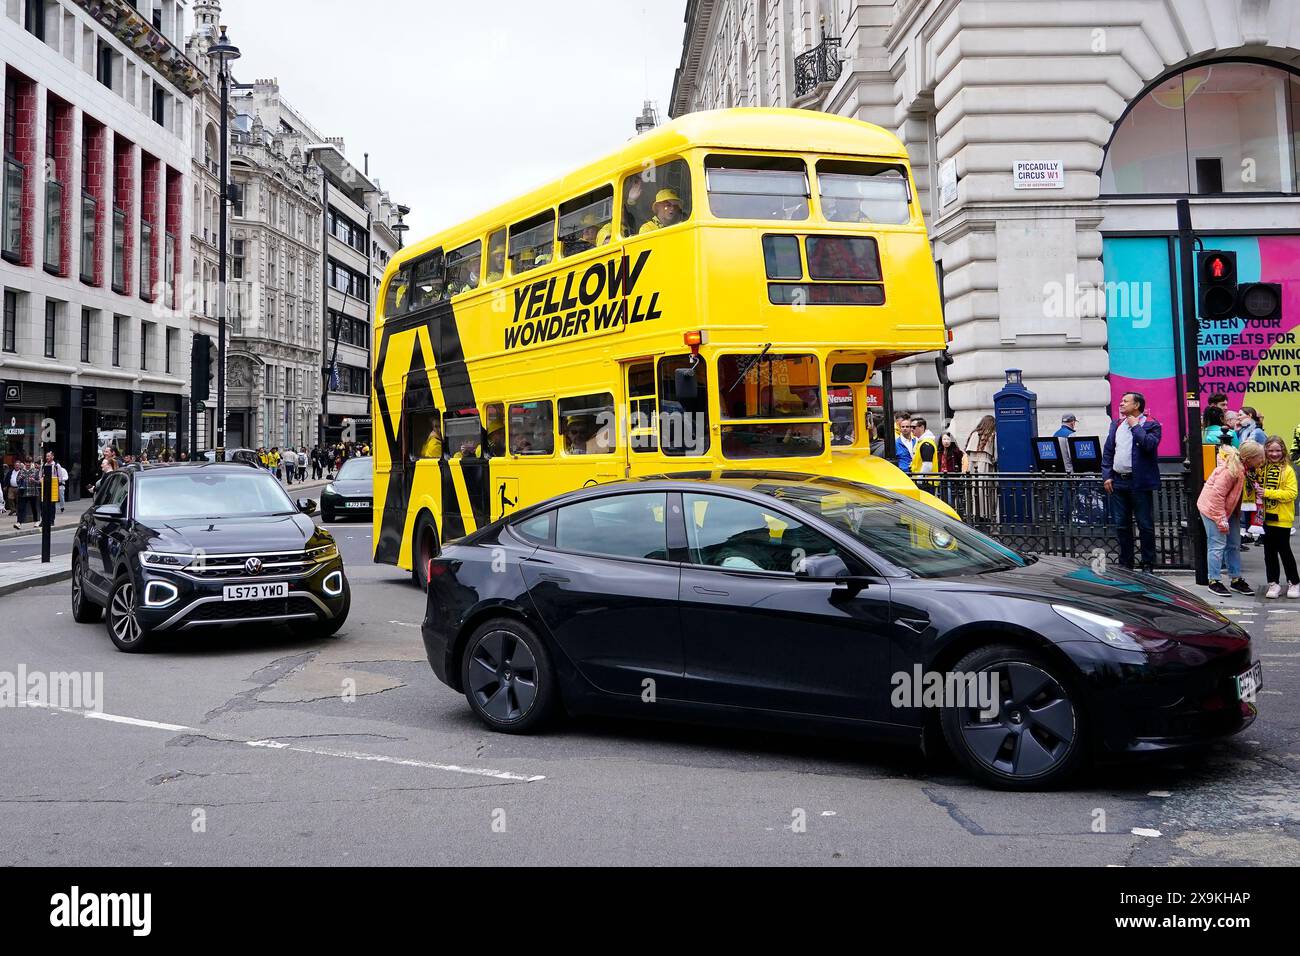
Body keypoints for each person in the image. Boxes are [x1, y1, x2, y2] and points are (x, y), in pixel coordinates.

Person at [1101, 392, 1162, 572]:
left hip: (1140, 482)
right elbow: (1108, 452)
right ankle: (1126, 563)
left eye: (1125, 401)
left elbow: (1149, 445)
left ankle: (1148, 563)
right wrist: (1107, 475)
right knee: (1122, 525)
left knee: (1145, 524)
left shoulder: (1151, 424)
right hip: (1119, 481)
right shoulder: (1116, 424)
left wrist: (1136, 427)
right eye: (1121, 401)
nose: (1120, 404)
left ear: (1136, 405)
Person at [1197, 441, 1264, 597]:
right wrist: (1221, 519)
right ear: (1249, 458)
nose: (1262, 461)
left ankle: (1235, 579)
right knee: (1217, 544)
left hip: (1230, 510)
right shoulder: (1230, 471)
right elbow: (1216, 496)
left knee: (1234, 544)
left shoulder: (1246, 469)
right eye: (1259, 458)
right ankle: (1214, 581)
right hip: (1212, 509)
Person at [1258, 436, 1299, 599]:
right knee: (1269, 552)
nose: (1274, 454)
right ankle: (1273, 583)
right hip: (1264, 518)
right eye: (1271, 450)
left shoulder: (1288, 470)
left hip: (1282, 518)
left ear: (1283, 451)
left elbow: (1292, 493)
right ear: (1265, 451)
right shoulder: (1261, 468)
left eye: (1277, 450)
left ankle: (1294, 582)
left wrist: (1268, 493)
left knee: (1284, 550)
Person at [10, 455, 40, 532]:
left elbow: (39, 482)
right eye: (27, 463)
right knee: (21, 508)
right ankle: (19, 523)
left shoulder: (35, 471)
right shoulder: (21, 471)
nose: (28, 464)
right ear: (24, 463)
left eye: (29, 463)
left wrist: (34, 481)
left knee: (34, 507)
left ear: (31, 463)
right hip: (23, 493)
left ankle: (36, 521)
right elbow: (17, 481)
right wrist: (20, 479)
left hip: (33, 492)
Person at [39, 451, 67, 530]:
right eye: (46, 456)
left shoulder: (56, 466)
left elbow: (60, 478)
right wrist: (41, 481)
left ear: (52, 457)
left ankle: (51, 520)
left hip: (53, 487)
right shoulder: (43, 465)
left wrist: (56, 482)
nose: (47, 457)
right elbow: (40, 476)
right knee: (43, 505)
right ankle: (44, 520)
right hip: (45, 487)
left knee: (52, 505)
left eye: (49, 456)